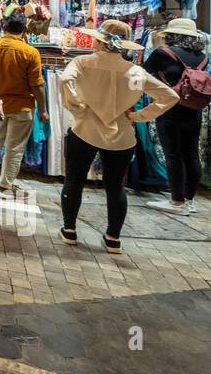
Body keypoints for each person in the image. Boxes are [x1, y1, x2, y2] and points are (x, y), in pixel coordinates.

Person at [58, 20, 179, 255]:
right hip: (121, 135)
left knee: (74, 180)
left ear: (100, 41)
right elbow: (170, 96)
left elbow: (65, 80)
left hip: (85, 129)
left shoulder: (83, 62)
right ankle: (113, 237)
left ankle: (69, 229)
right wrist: (139, 115)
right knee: (115, 187)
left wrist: (78, 107)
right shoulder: (134, 71)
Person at [142, 17, 211, 216]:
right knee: (191, 154)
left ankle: (177, 201)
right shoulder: (201, 56)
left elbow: (143, 74)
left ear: (171, 35)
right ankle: (189, 200)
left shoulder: (162, 53)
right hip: (194, 110)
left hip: (170, 109)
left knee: (173, 154)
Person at [0, 15, 49, 198]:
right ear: (24, 30)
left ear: (3, 27)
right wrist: (43, 109)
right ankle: (5, 186)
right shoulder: (29, 52)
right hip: (21, 107)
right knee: (15, 148)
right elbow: (37, 85)